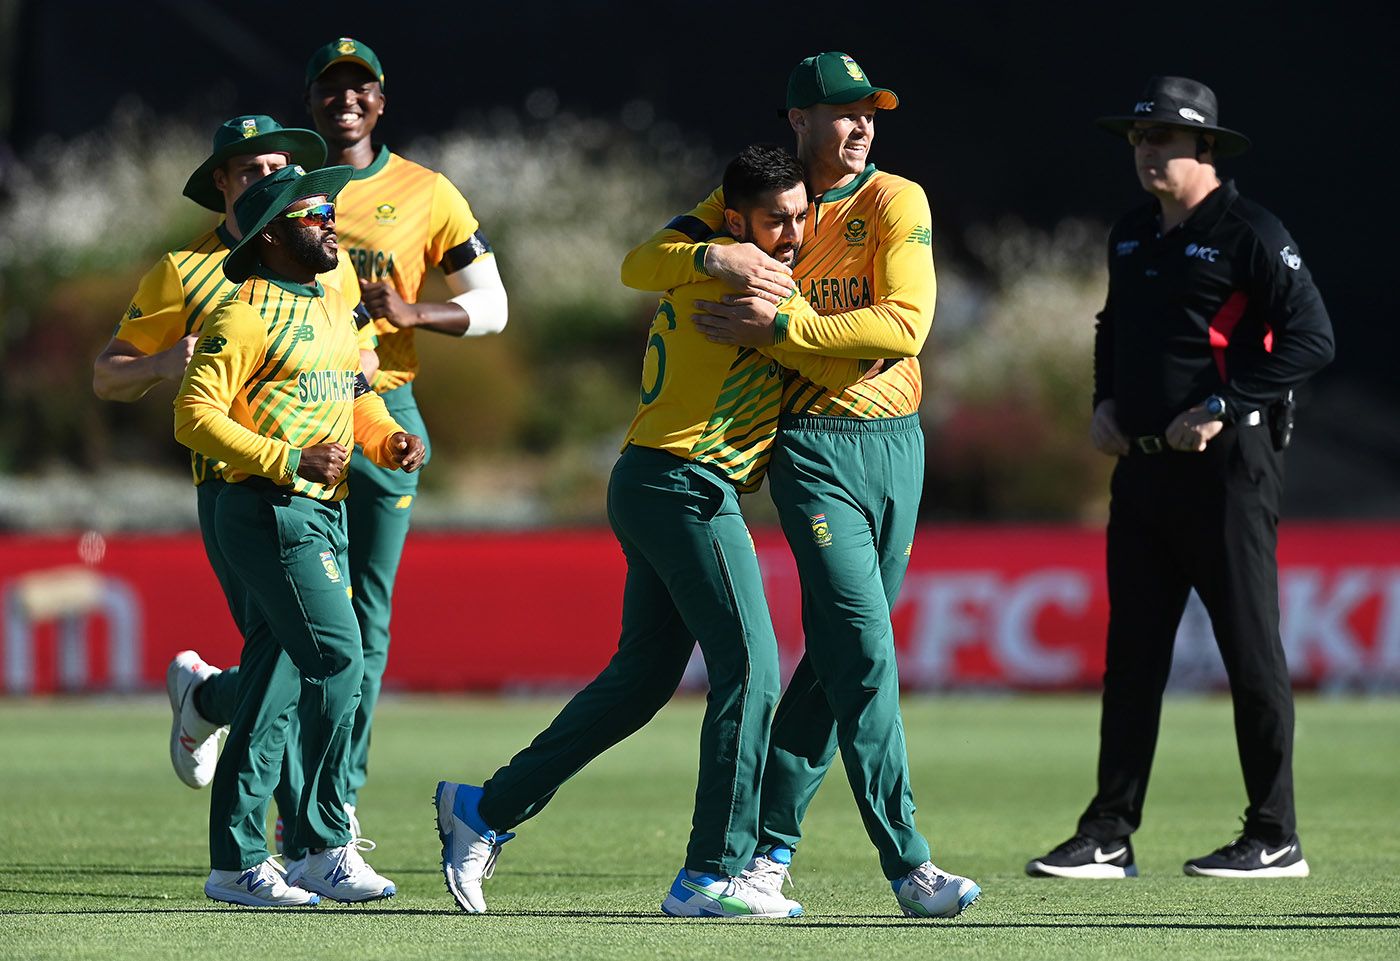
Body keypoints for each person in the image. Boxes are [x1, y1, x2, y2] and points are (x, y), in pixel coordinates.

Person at [434, 144, 883, 919]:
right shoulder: (724, 264)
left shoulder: (715, 258)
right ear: (737, 218)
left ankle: (486, 808)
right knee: (753, 669)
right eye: (778, 219)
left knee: (642, 682)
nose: (795, 232)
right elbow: (644, 263)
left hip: (652, 478)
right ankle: (711, 872)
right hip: (684, 482)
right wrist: (727, 259)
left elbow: (646, 261)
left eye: (803, 215)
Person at [619, 52, 979, 918]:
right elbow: (642, 261)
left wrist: (781, 324)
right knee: (864, 651)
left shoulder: (898, 200)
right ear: (798, 121)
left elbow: (907, 324)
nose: (858, 129)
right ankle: (910, 865)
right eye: (840, 112)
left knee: (833, 662)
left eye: (869, 115)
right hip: (812, 448)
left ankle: (766, 851)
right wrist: (718, 259)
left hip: (900, 444)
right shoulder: (764, 200)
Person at [184, 36, 509, 839]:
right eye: (330, 88)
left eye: (359, 85)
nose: (345, 99)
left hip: (379, 407)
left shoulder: (426, 191)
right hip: (287, 430)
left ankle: (326, 794)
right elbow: (198, 368)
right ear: (311, 103)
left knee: (361, 618)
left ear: (382, 98)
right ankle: (295, 813)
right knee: (296, 624)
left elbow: (493, 304)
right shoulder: (274, 198)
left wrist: (413, 314)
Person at [1025, 76, 1334, 880]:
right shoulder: (1130, 234)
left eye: (1162, 137)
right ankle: (1109, 833)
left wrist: (1224, 405)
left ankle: (1274, 834)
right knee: (1131, 660)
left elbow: (1311, 339)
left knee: (1250, 655)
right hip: (1144, 479)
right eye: (1137, 137)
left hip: (1230, 475)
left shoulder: (1250, 232)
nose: (1146, 150)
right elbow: (1111, 326)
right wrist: (1103, 401)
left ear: (1204, 147)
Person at [92, 116, 371, 863]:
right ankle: (292, 841)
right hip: (239, 490)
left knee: (285, 659)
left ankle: (214, 712)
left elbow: (349, 371)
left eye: (280, 168)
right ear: (222, 183)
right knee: (309, 657)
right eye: (250, 170)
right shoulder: (185, 271)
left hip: (318, 494)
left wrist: (378, 428)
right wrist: (159, 363)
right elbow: (106, 374)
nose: (269, 180)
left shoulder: (324, 265)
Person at [175, 162, 425, 905]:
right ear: (274, 232)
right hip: (268, 505)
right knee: (340, 658)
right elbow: (193, 415)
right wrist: (288, 457)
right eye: (314, 215)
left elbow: (351, 399)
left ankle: (253, 859)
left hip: (321, 508)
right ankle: (315, 838)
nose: (330, 225)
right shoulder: (242, 313)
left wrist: (386, 442)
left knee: (279, 672)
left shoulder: (328, 305)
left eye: (329, 213)